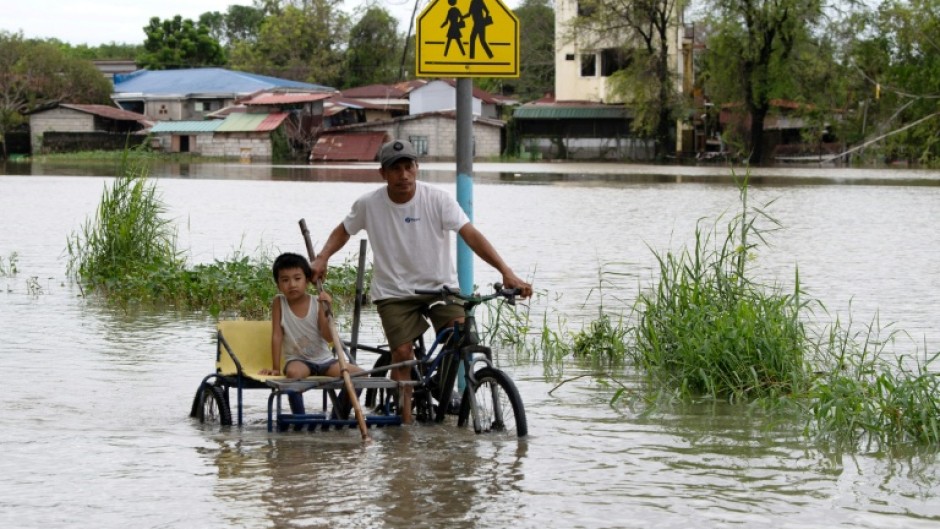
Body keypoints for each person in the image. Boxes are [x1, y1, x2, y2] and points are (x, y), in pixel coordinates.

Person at [311, 139, 532, 423]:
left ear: (417, 168)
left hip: (440, 288)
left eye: (408, 167)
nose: (403, 175)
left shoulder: (437, 200)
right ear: (383, 174)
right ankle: (405, 426)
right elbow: (343, 231)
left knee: (463, 336)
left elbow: (471, 235)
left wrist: (506, 270)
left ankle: (441, 386)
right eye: (395, 169)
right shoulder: (369, 204)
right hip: (394, 293)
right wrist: (322, 257)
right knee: (402, 353)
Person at [261, 252, 362, 419]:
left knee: (360, 376)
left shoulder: (317, 302)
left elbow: (328, 337)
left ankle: (338, 417)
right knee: (293, 374)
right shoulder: (279, 303)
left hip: (325, 361)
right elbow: (277, 336)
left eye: (297, 278)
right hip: (298, 360)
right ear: (278, 284)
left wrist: (327, 309)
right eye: (285, 280)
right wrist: (276, 368)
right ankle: (300, 418)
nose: (292, 284)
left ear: (307, 280)